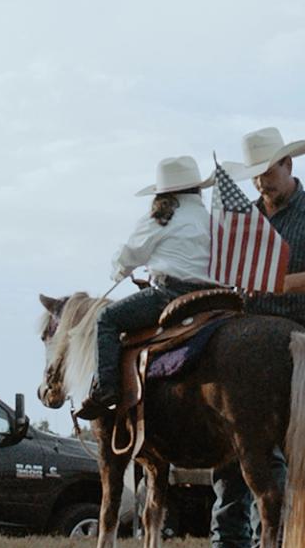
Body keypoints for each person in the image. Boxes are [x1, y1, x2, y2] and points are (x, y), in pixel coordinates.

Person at [205, 126, 305, 548]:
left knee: (279, 446)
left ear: (289, 165)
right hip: (242, 338)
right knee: (233, 442)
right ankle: (229, 546)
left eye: (267, 173)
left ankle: (272, 546)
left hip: (293, 336)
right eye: (255, 176)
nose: (261, 183)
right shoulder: (246, 217)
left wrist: (283, 281)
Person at [74, 155, 213, 421]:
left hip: (171, 294)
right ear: (197, 188)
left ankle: (106, 390)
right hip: (212, 298)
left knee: (107, 318)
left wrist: (119, 270)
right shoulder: (210, 218)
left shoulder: (162, 217)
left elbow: (129, 256)